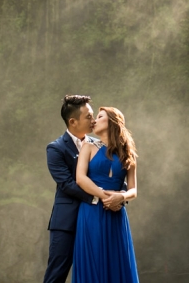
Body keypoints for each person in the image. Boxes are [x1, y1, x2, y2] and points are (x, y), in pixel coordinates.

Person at [43, 95, 126, 283]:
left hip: (97, 219)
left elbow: (116, 174)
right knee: (57, 274)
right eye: (88, 116)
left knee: (99, 271)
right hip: (67, 222)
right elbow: (67, 184)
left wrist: (120, 196)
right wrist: (101, 198)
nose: (94, 120)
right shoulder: (55, 149)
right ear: (73, 121)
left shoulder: (99, 145)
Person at [73, 106, 139, 283]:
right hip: (91, 211)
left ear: (111, 122)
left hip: (116, 214)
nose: (94, 120)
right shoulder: (88, 147)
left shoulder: (128, 154)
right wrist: (106, 196)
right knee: (93, 260)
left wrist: (122, 197)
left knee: (118, 262)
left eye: (100, 116)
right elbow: (80, 179)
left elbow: (133, 190)